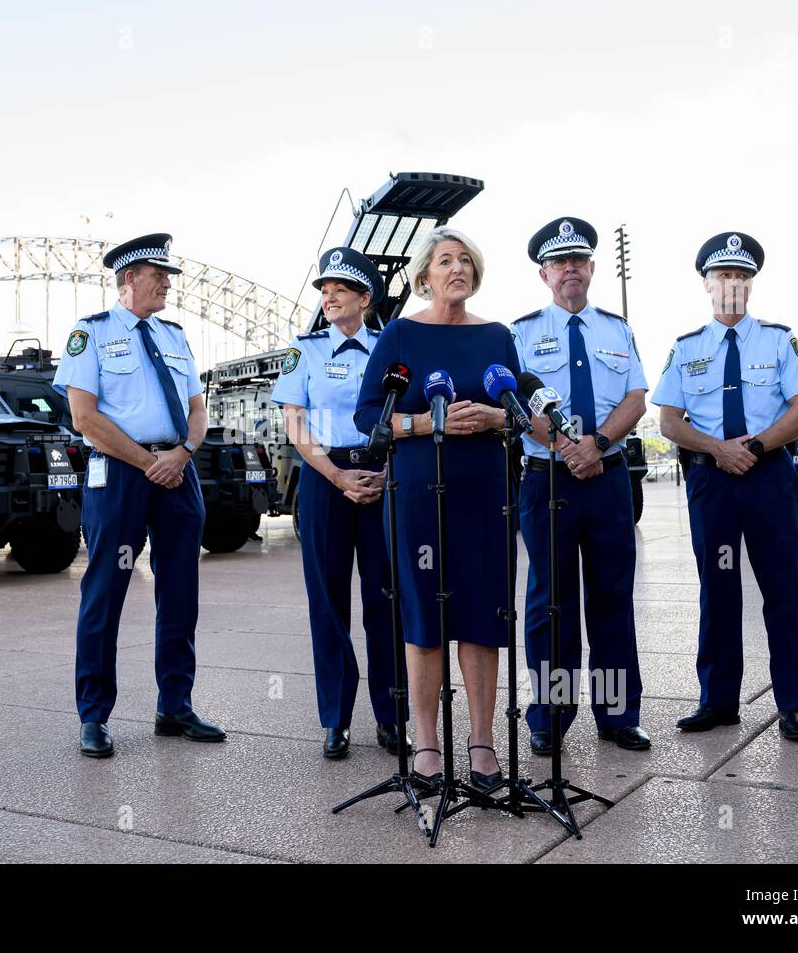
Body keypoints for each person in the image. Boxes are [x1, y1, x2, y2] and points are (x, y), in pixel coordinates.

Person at [354, 227, 518, 793]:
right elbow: (367, 416)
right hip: (419, 492)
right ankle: (426, 743)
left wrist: (500, 420)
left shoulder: (498, 337)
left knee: (482, 613)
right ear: (425, 275)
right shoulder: (399, 335)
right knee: (424, 615)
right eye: (446, 260)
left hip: (485, 493)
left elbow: (518, 407)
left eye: (466, 260)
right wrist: (427, 423)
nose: (458, 268)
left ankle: (481, 744)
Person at [52, 233, 226, 758]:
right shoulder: (92, 334)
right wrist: (150, 462)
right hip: (122, 474)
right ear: (130, 278)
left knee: (180, 593)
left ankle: (175, 705)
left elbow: (198, 411)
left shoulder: (174, 336)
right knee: (104, 593)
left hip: (177, 471)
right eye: (160, 275)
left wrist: (183, 456)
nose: (168, 284)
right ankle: (94, 716)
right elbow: (84, 417)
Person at [651, 232, 798, 742]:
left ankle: (792, 703)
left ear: (751, 286)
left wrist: (757, 447)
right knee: (718, 589)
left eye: (741, 277)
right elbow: (668, 421)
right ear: (706, 284)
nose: (732, 284)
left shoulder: (778, 340)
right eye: (723, 275)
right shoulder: (686, 348)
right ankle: (719, 701)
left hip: (766, 477)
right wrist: (718, 448)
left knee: (781, 590)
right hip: (712, 482)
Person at [511, 217, 649, 755]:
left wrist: (598, 444)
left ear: (591, 269)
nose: (570, 269)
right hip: (547, 481)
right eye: (558, 262)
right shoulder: (519, 334)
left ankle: (617, 715)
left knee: (612, 597)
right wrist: (569, 448)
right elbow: (518, 406)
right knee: (552, 600)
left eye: (578, 260)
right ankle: (550, 714)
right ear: (545, 275)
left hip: (608, 479)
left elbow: (636, 398)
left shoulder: (619, 329)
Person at [271, 247, 407, 760]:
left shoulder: (392, 351)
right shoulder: (304, 350)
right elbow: (295, 421)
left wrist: (385, 472)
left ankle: (393, 717)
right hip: (325, 478)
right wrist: (335, 475)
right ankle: (336, 719)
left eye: (340, 291)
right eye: (325, 291)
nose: (329, 298)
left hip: (382, 477)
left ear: (364, 299)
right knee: (328, 603)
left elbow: (405, 417)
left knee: (387, 600)